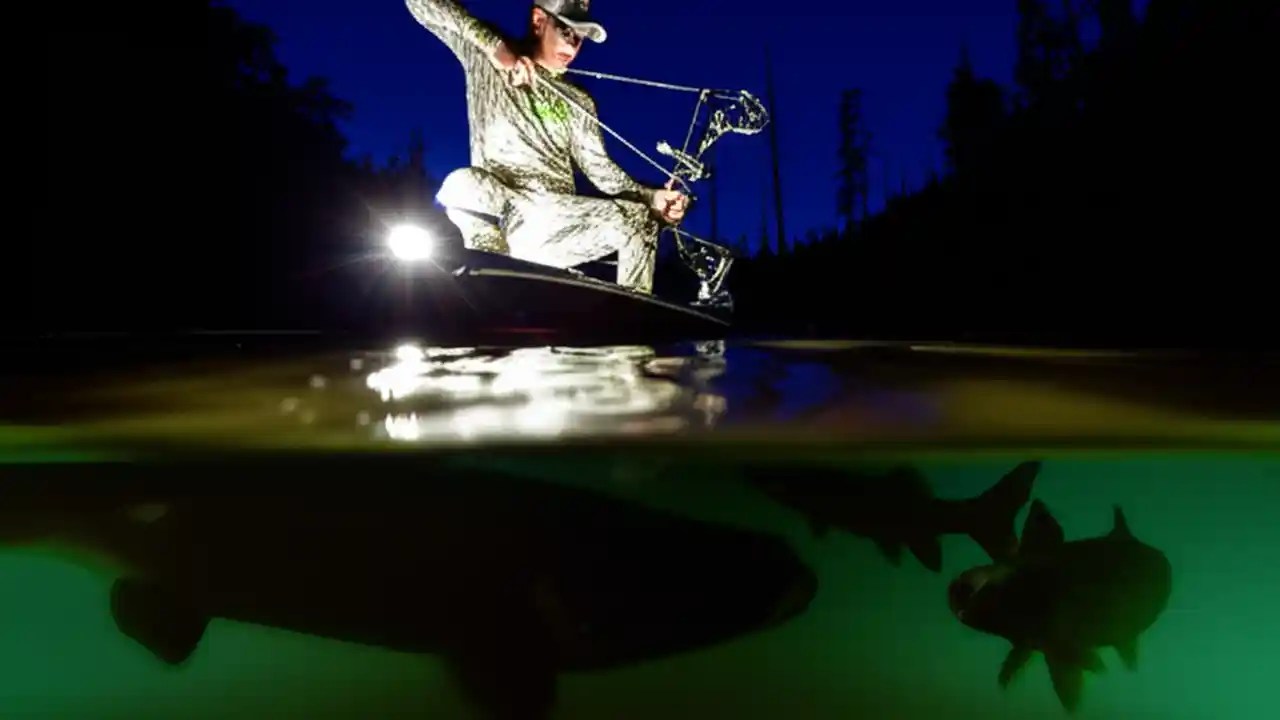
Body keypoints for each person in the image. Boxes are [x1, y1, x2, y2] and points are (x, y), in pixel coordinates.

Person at [405, 0, 690, 295]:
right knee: (461, 183)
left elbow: (601, 170)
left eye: (581, 36)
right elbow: (420, 4)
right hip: (499, 208)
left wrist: (650, 197)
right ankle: (491, 276)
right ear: (539, 21)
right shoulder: (486, 59)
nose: (574, 43)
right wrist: (493, 47)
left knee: (639, 220)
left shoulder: (578, 101)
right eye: (565, 30)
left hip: (552, 220)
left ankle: (632, 311)